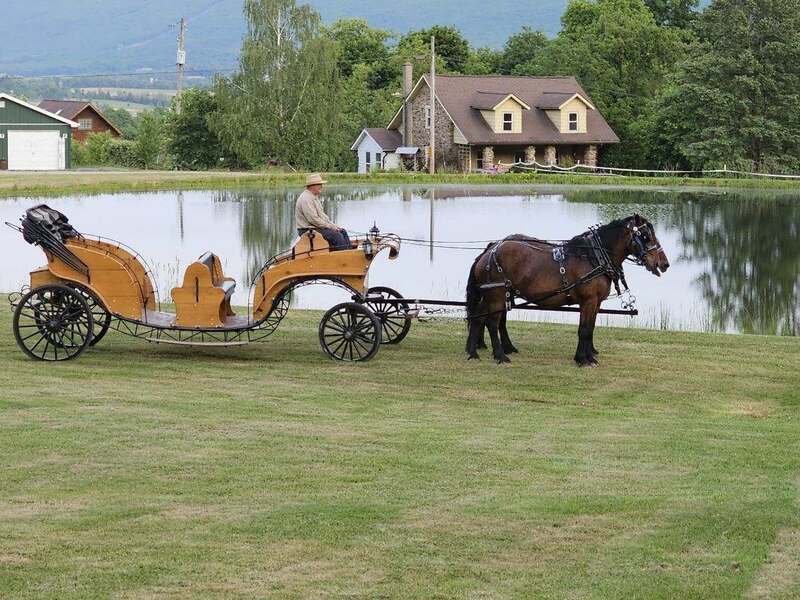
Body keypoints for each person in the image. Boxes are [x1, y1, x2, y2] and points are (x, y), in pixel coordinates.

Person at [294, 173, 352, 251]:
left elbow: (322, 216)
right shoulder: (306, 198)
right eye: (320, 184)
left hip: (315, 228)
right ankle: (345, 257)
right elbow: (313, 219)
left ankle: (349, 252)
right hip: (307, 230)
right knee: (336, 236)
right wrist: (330, 227)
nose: (322, 186)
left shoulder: (313, 196)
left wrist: (334, 225)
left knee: (342, 231)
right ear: (313, 185)